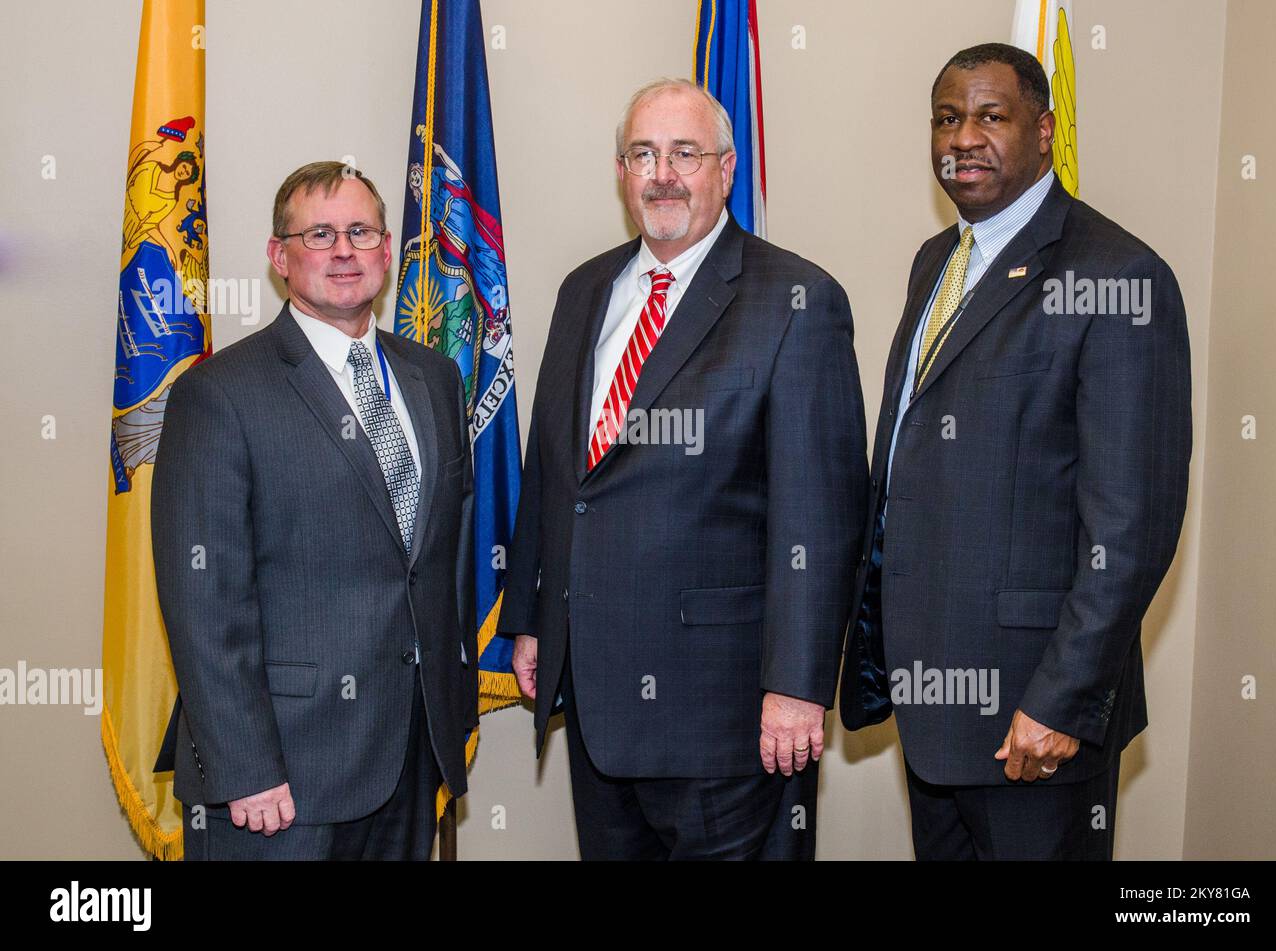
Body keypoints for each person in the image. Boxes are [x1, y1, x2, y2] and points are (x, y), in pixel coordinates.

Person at [499, 78, 868, 860]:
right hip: (596, 699)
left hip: (726, 714)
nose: (662, 173)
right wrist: (532, 615)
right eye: (643, 153)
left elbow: (823, 516)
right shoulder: (584, 289)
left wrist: (799, 684)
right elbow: (555, 467)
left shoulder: (798, 299)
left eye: (685, 153)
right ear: (622, 170)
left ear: (726, 169)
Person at [840, 44, 1192, 860]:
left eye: (990, 117)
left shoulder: (1119, 275)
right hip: (935, 707)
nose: (963, 138)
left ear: (1044, 130)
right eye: (946, 118)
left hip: (1031, 715)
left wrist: (1063, 698)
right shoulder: (939, 261)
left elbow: (1130, 526)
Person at [152, 161, 476, 860]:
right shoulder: (220, 394)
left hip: (410, 759)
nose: (343, 251)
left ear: (388, 251)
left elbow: (439, 564)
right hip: (279, 782)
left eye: (360, 231)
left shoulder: (436, 379)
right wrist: (247, 766)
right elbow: (201, 599)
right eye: (319, 233)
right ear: (279, 256)